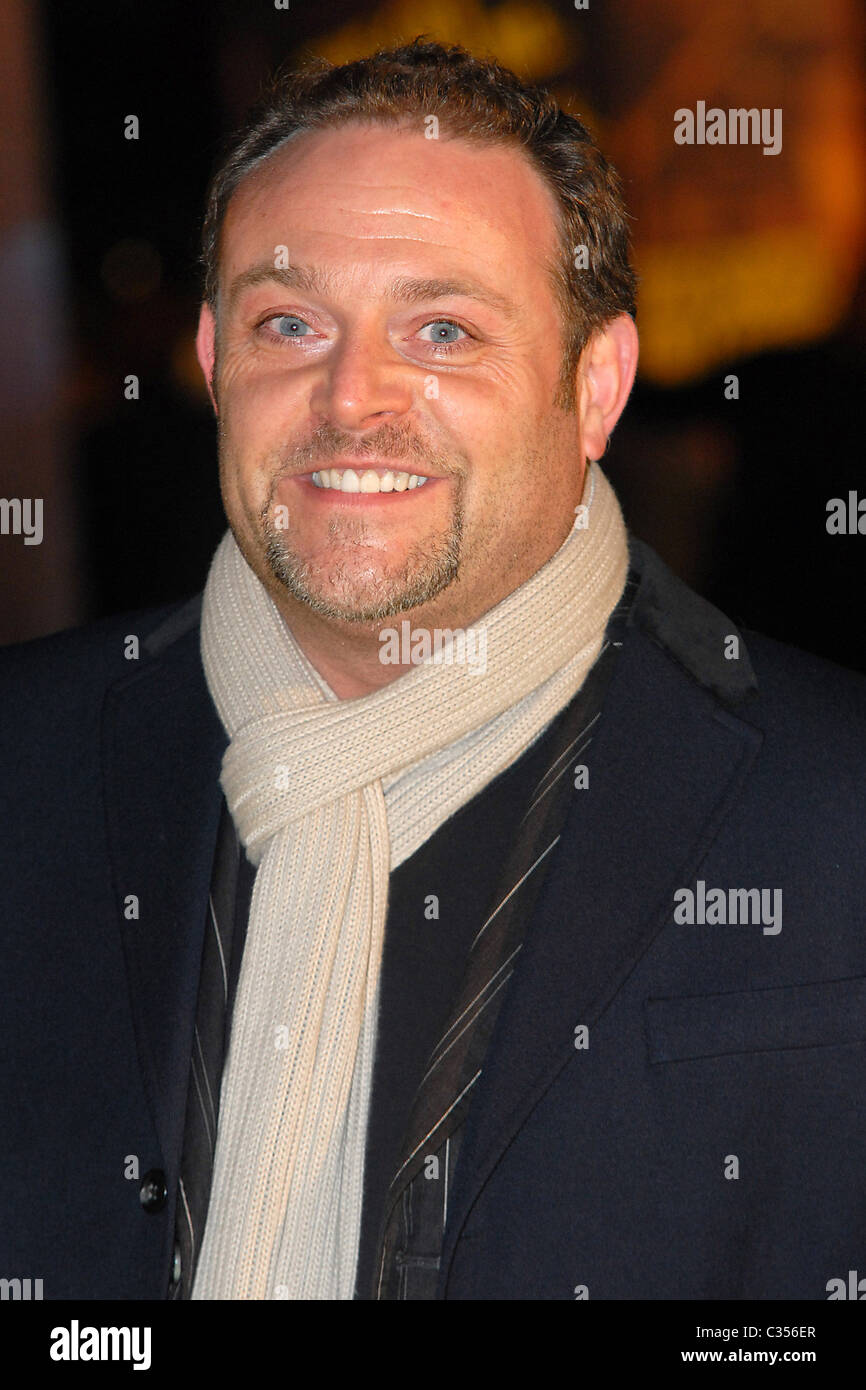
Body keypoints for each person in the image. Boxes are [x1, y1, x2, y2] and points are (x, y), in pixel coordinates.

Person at [1, 38, 864, 1303]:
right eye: (288, 322)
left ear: (596, 385)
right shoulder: (24, 765)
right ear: (209, 357)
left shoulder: (834, 807)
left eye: (444, 329)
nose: (352, 398)